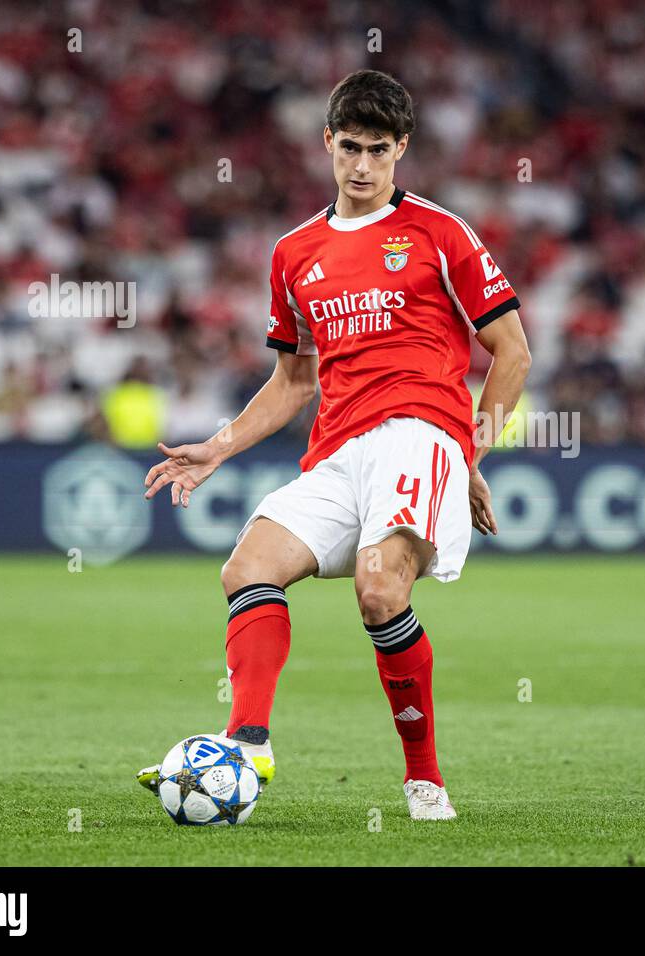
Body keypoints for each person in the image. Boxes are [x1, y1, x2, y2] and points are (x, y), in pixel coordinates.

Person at [136, 70, 531, 820]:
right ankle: (248, 743)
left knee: (380, 591)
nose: (360, 166)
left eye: (377, 150)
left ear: (401, 149)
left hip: (421, 434)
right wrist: (218, 447)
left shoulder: (441, 234)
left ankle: (425, 780)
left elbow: (511, 351)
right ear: (326, 142)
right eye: (348, 147)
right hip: (337, 451)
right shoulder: (294, 253)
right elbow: (291, 381)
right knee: (246, 566)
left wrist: (470, 455)